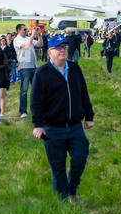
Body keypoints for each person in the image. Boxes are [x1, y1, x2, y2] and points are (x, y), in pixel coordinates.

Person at [30, 35, 95, 202]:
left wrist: (89, 116)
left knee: (80, 157)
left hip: (75, 126)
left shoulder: (74, 68)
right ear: (49, 52)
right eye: (58, 48)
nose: (63, 50)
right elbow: (36, 101)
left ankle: (72, 191)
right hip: (52, 128)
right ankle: (63, 201)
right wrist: (38, 125)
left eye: (64, 47)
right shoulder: (42, 73)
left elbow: (83, 93)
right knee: (57, 167)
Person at [13, 24, 37, 119]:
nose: (26, 30)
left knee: (37, 89)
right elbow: (26, 46)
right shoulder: (17, 39)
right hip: (25, 66)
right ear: (19, 30)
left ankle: (36, 109)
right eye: (24, 29)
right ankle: (23, 111)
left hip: (34, 66)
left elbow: (40, 44)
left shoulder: (28, 38)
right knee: (24, 90)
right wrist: (32, 35)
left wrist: (38, 35)